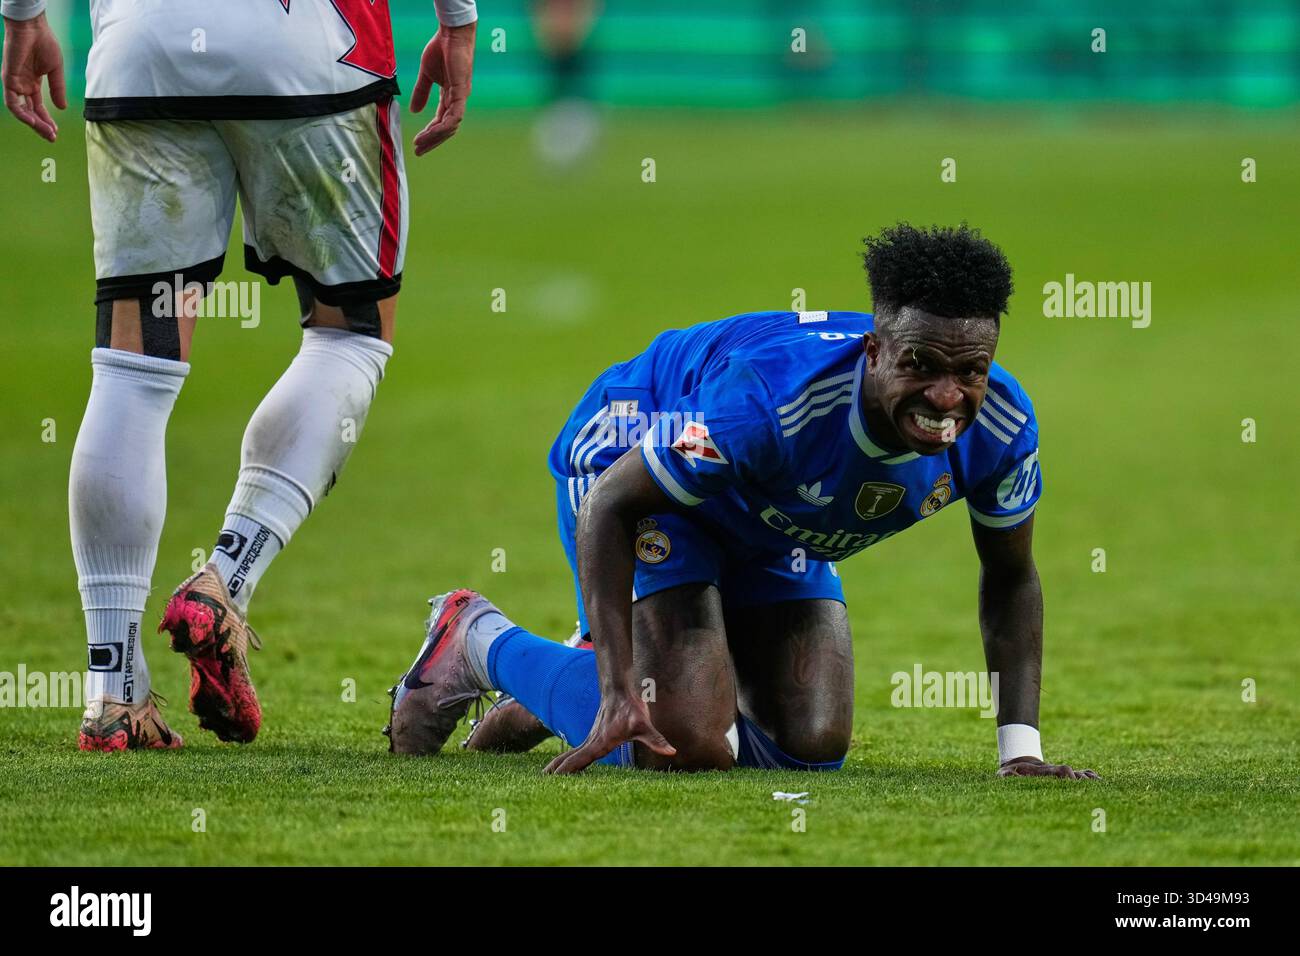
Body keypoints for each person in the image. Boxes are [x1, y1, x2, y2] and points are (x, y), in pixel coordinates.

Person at [387, 223, 1098, 780]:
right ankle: (477, 641)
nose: (948, 398)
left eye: (970, 371)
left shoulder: (1004, 427)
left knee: (812, 747)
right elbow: (611, 503)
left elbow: (1010, 576)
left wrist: (1020, 749)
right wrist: (615, 687)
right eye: (921, 366)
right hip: (634, 459)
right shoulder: (772, 405)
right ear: (875, 351)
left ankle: (571, 687)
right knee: (689, 742)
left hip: (768, 510)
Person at [0, 0, 478, 749]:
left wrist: (22, 14)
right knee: (348, 336)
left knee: (131, 366)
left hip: (142, 48)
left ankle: (113, 692)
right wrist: (458, 22)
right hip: (314, 53)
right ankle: (224, 579)